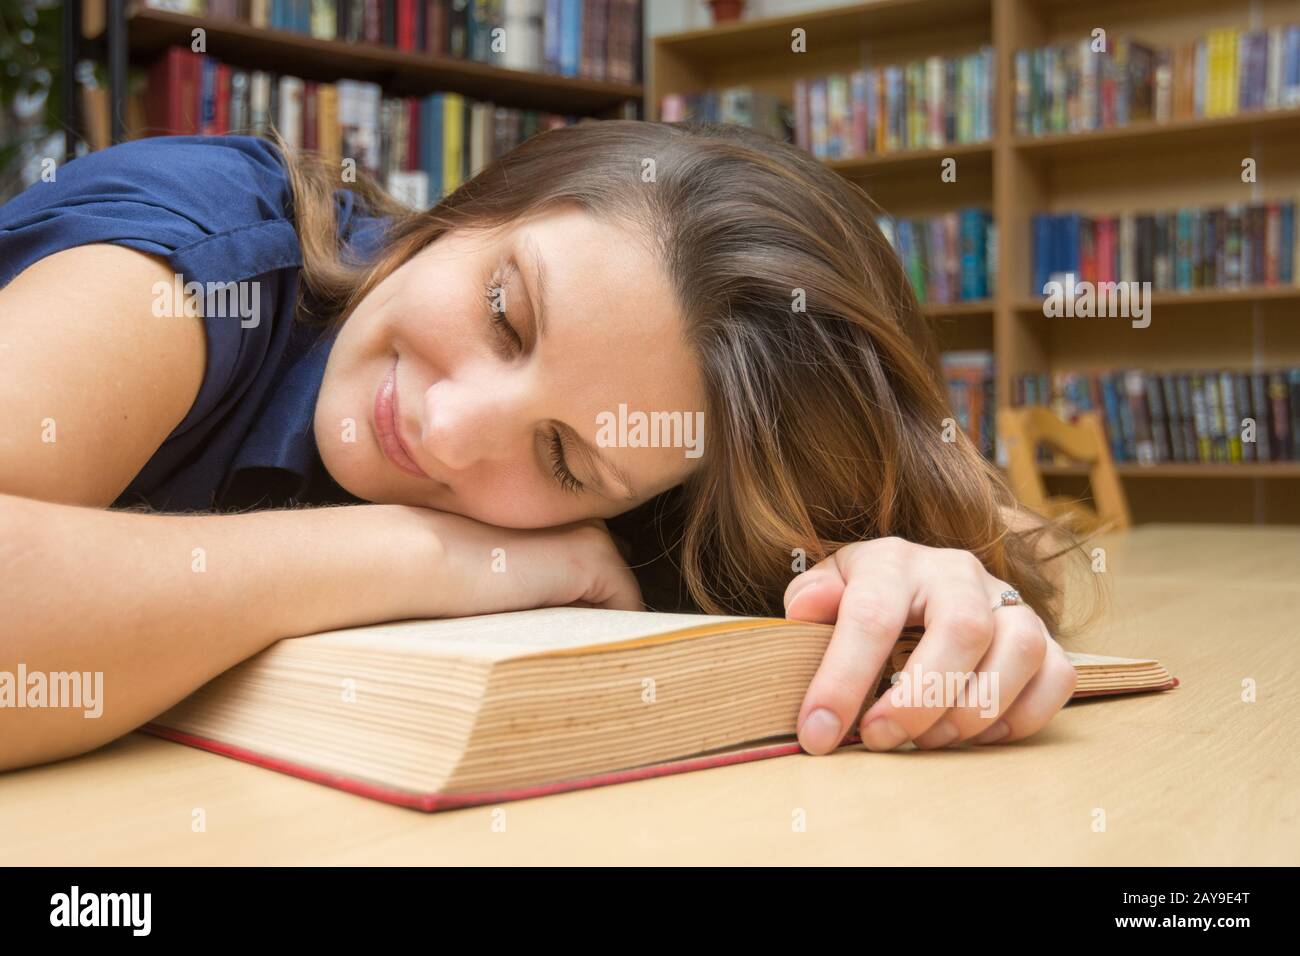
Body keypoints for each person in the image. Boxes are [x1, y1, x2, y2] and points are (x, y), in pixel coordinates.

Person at [0, 120, 1079, 773]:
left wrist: (880, 572)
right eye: (505, 311)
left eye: (565, 459)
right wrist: (427, 553)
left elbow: (998, 522)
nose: (451, 427)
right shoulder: (205, 253)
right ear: (486, 201)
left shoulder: (631, 495)